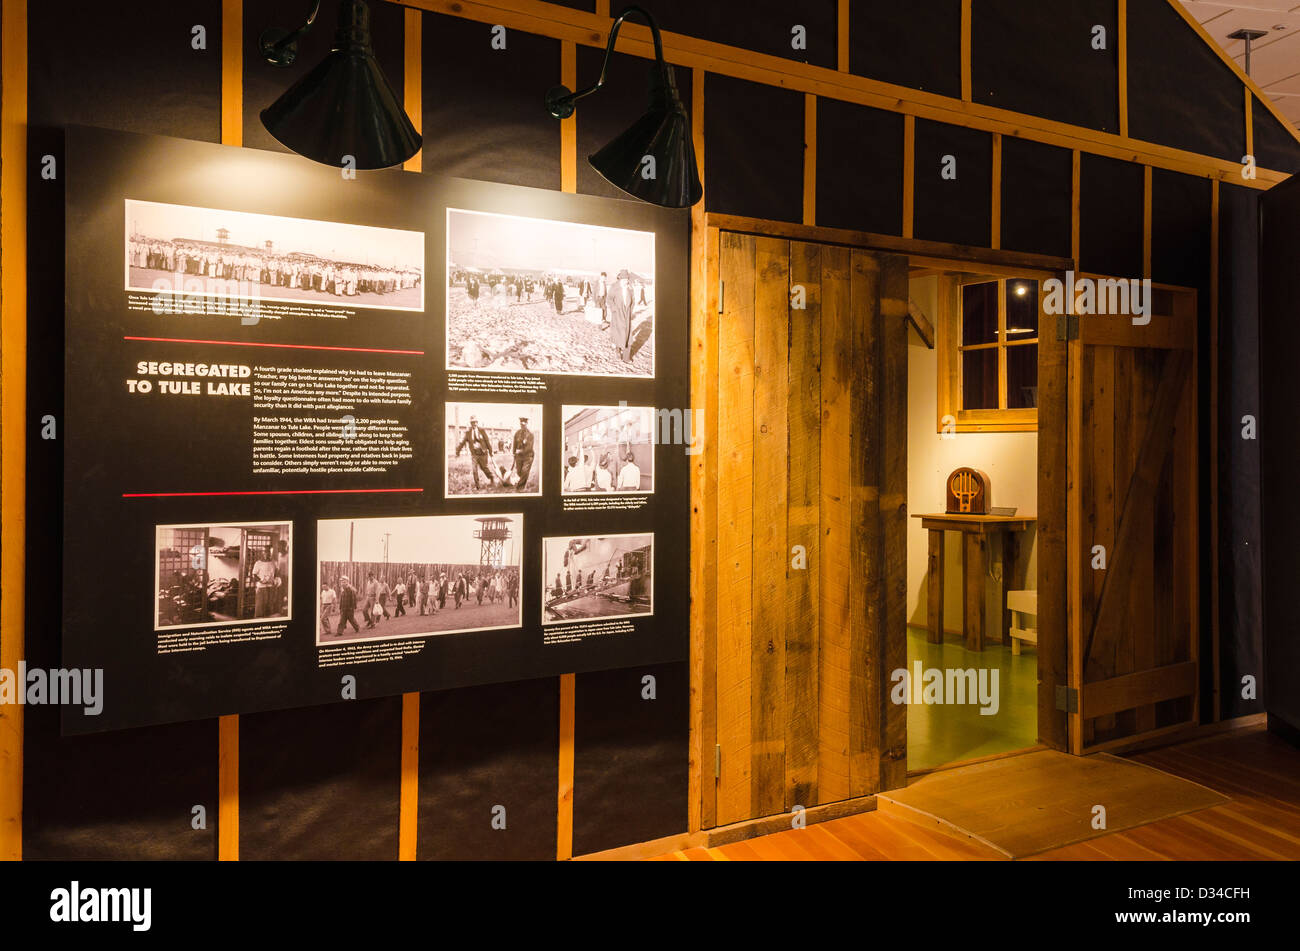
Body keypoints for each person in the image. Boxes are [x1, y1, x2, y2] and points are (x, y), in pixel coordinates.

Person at [456, 415, 497, 490]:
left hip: (483, 453)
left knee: (484, 468)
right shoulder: (468, 432)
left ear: (477, 423)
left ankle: (491, 477)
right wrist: (458, 451)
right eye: (472, 422)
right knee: (474, 470)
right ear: (470, 423)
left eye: (475, 422)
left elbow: (487, 441)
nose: (474, 424)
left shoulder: (482, 430)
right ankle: (478, 486)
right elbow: (462, 442)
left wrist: (491, 451)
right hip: (474, 454)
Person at [607, 269, 635, 362]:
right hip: (617, 314)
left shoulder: (630, 288)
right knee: (618, 334)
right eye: (623, 279)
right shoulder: (614, 287)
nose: (625, 281)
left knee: (628, 335)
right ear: (619, 279)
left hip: (627, 314)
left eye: (627, 279)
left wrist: (630, 312)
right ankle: (617, 350)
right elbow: (609, 299)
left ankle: (626, 358)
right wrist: (614, 309)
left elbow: (633, 301)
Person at [252, 548, 277, 618]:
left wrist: (274, 580)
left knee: (269, 606)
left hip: (270, 586)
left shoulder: (273, 562)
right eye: (265, 552)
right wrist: (261, 580)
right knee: (260, 607)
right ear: (262, 553)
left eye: (268, 552)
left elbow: (275, 573)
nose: (267, 553)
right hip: (261, 587)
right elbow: (254, 575)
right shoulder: (258, 563)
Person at [512, 416, 535, 492]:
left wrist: (520, 451)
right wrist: (514, 452)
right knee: (519, 471)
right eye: (521, 424)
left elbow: (529, 448)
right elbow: (514, 444)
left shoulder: (530, 434)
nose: (522, 426)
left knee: (524, 471)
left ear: (526, 424)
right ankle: (520, 483)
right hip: (519, 456)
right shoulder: (517, 433)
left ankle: (520, 487)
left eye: (524, 424)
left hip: (528, 456)